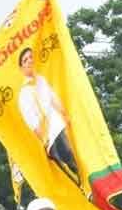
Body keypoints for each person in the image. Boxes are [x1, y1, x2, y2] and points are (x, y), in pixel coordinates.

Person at [17, 47, 80, 188]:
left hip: (59, 126)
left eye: (30, 57)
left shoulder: (42, 81)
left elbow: (54, 99)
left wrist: (65, 115)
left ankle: (83, 185)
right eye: (25, 60)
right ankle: (78, 190)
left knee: (71, 156)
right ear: (21, 68)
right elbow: (32, 121)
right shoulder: (24, 94)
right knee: (63, 170)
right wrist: (44, 140)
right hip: (48, 137)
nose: (29, 61)